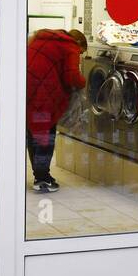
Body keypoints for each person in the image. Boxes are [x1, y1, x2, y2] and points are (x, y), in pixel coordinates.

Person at [25, 28, 87, 193]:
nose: (79, 56)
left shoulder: (40, 39)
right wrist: (84, 83)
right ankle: (42, 179)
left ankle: (40, 174)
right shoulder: (70, 47)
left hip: (25, 89)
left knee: (34, 133)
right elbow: (72, 75)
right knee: (45, 136)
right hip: (45, 93)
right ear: (79, 43)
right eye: (81, 53)